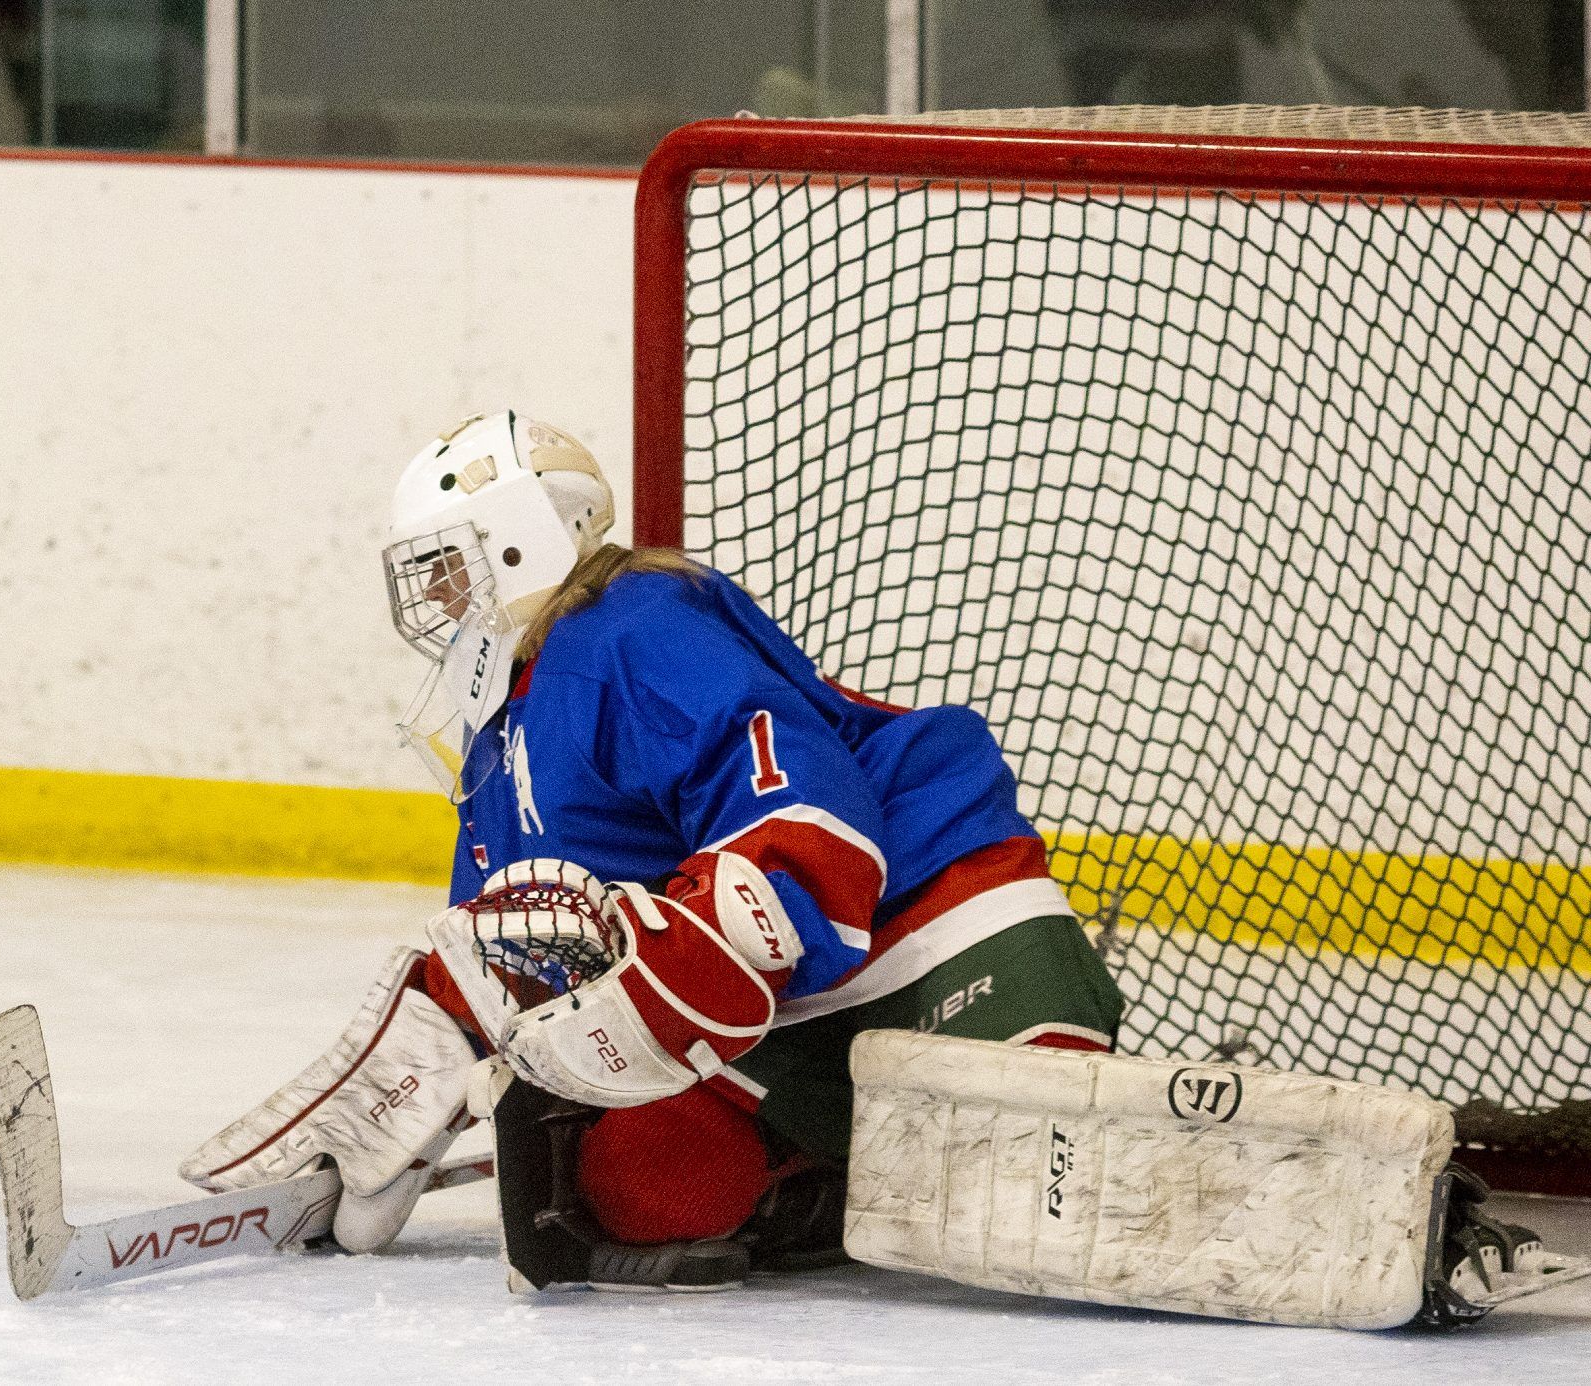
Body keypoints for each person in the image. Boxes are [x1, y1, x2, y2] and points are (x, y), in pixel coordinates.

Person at [181, 410, 1125, 1285]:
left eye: (447, 563)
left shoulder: (636, 626)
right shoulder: (498, 728)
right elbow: (519, 934)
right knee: (633, 1189)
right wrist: (423, 1054)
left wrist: (725, 931)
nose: (433, 594)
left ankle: (1027, 1113)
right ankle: (826, 1178)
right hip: (771, 1017)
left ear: (520, 537)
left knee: (1050, 1188)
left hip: (929, 918)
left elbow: (799, 800)